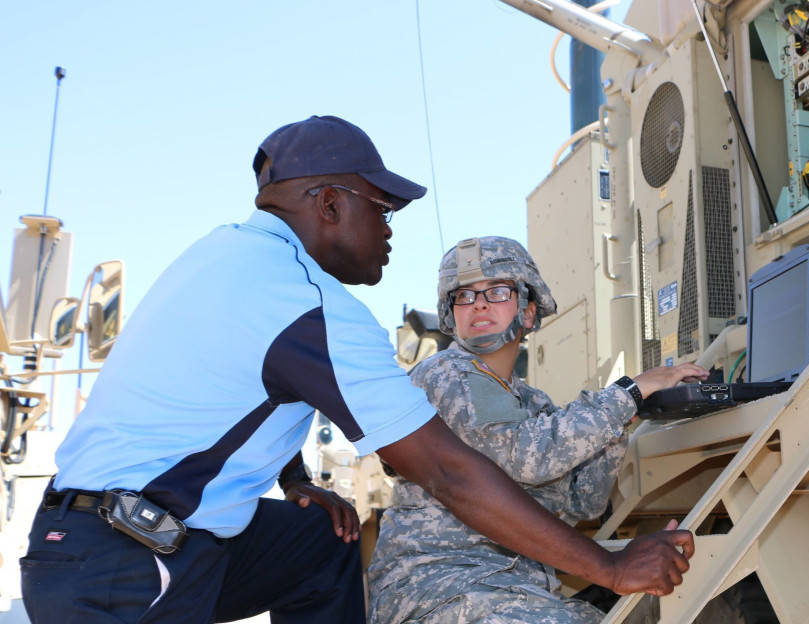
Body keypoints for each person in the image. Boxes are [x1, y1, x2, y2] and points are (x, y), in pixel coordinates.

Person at [20, 116, 695, 624]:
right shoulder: (310, 307)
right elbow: (451, 472)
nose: (393, 230)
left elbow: (225, 396)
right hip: (124, 568)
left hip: (108, 539)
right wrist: (610, 565)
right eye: (384, 209)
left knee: (323, 539)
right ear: (330, 204)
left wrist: (296, 480)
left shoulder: (229, 258)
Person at [368, 236, 709, 624]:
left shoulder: (531, 403)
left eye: (497, 292)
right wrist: (629, 392)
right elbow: (522, 457)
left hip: (505, 589)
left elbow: (584, 501)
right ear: (453, 315)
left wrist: (623, 419)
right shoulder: (445, 374)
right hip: (441, 585)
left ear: (528, 314)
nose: (478, 303)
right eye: (463, 296)